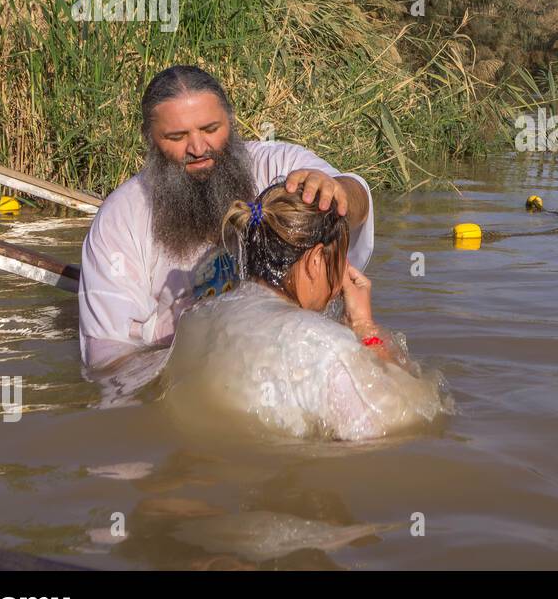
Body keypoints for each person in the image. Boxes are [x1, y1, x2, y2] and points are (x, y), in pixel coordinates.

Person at [78, 65, 373, 373]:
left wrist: (337, 191)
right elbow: (108, 361)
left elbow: (358, 198)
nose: (198, 148)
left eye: (210, 129)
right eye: (177, 136)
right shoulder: (120, 219)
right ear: (149, 139)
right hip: (188, 376)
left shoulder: (276, 167)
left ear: (230, 122)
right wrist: (218, 353)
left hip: (299, 358)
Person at [162, 182, 449, 442]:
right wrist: (364, 327)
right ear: (314, 261)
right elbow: (408, 420)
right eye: (340, 259)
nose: (340, 282)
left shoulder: (196, 317)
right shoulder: (323, 345)